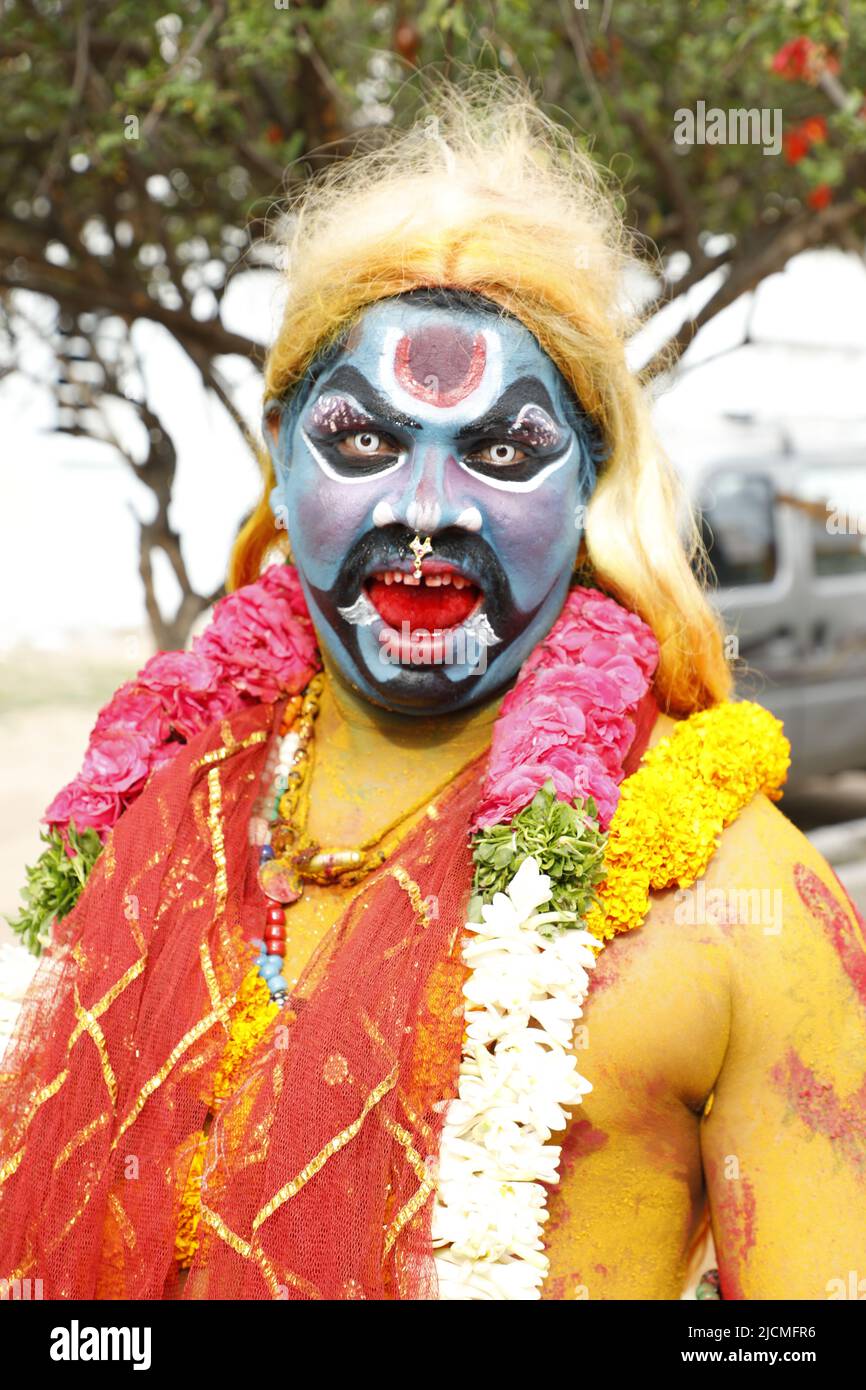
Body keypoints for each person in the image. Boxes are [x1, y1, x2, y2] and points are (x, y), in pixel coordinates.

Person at [1, 84, 864, 1302]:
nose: (422, 511)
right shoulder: (156, 810)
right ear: (281, 458)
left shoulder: (740, 903)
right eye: (360, 442)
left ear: (591, 488)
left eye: (503, 451)